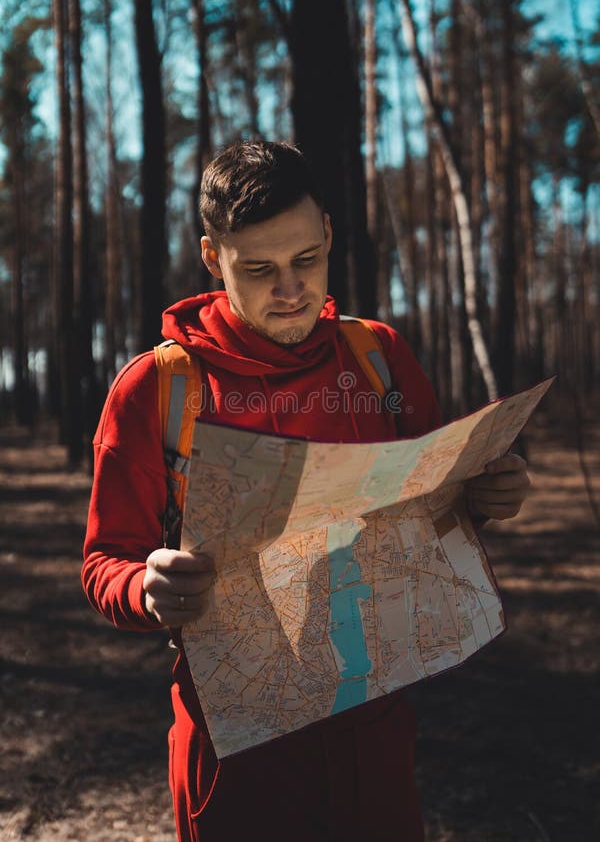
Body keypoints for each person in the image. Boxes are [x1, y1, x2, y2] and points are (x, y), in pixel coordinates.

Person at [82, 141, 530, 841]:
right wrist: (145, 586)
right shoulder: (159, 391)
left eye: (306, 261)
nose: (290, 289)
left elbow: (436, 506)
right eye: (258, 269)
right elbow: (105, 561)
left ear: (327, 232)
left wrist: (484, 496)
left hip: (375, 732)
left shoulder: (376, 357)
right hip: (237, 751)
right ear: (211, 256)